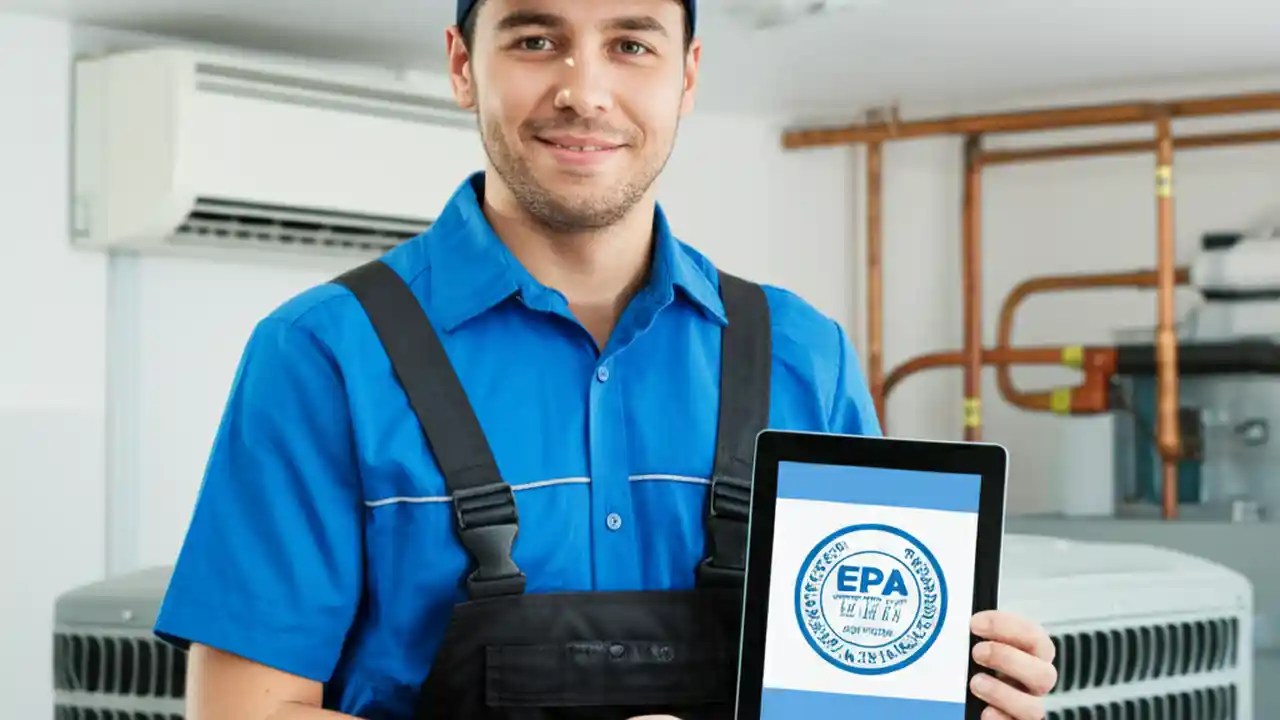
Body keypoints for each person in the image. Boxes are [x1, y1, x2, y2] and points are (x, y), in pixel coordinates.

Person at [154, 1, 1059, 718]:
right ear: (464, 64)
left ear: (688, 76)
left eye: (631, 44)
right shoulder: (323, 354)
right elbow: (246, 712)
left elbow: (852, 700)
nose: (585, 91)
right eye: (537, 37)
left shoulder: (803, 355)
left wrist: (954, 698)